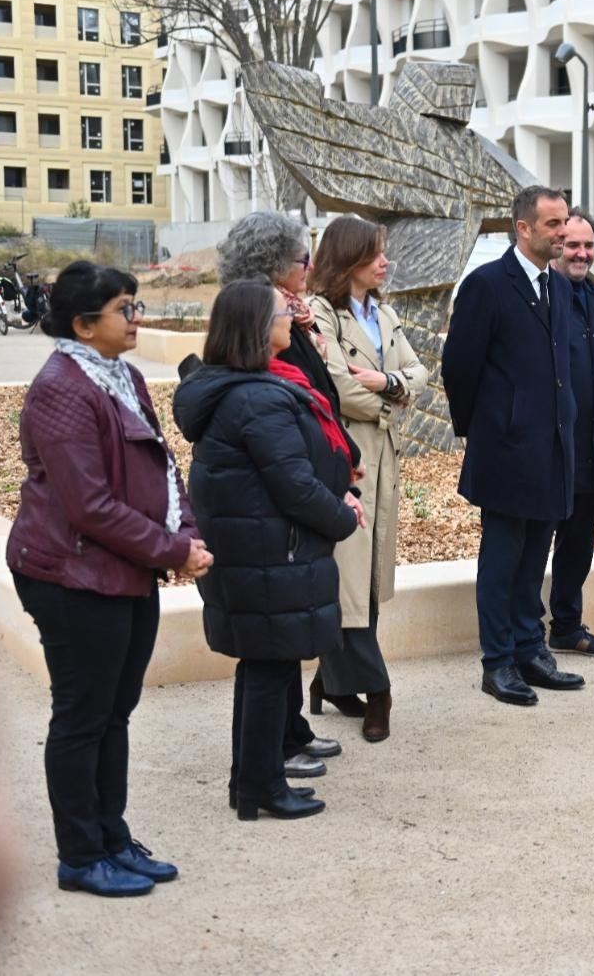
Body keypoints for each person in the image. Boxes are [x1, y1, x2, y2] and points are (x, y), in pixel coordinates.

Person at [7, 260, 212, 896]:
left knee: (115, 711)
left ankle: (112, 836)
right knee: (82, 715)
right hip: (71, 577)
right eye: (125, 309)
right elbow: (87, 504)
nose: (137, 318)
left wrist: (186, 532)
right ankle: (80, 855)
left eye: (136, 304)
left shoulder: (119, 373)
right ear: (82, 323)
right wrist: (172, 552)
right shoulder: (61, 388)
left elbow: (161, 463)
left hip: (123, 572)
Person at [173, 278, 362, 820]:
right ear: (258, 327)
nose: (292, 317)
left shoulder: (252, 386)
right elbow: (294, 485)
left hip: (263, 552)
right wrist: (343, 514)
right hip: (267, 555)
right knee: (266, 670)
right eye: (283, 312)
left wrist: (340, 484)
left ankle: (254, 783)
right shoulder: (256, 397)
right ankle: (258, 788)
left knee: (266, 668)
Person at [216, 210, 362, 778]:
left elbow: (320, 397)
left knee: (283, 642)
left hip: (291, 521)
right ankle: (264, 768)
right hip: (274, 530)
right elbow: (286, 448)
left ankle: (289, 733)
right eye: (302, 259)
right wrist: (334, 499)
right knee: (271, 649)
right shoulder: (259, 332)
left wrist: (340, 464)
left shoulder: (288, 317)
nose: (309, 269)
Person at [441, 185, 586, 706]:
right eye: (553, 224)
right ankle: (497, 662)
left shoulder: (562, 288)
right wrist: (486, 427)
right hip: (505, 450)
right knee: (502, 561)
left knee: (533, 561)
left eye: (564, 221)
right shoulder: (486, 286)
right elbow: (459, 368)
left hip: (553, 449)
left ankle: (531, 650)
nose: (564, 232)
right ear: (523, 228)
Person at [308, 216, 430, 741]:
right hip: (347, 450)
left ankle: (331, 683)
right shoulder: (319, 314)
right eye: (376, 253)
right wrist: (390, 401)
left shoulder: (383, 312)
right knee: (350, 574)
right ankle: (375, 688)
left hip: (384, 453)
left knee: (370, 578)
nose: (385, 262)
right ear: (349, 258)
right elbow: (336, 388)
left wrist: (387, 382)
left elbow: (420, 374)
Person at [545, 208, 594, 658]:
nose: (582, 253)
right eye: (573, 245)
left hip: (591, 441)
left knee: (579, 540)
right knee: (537, 541)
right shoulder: (544, 295)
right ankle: (523, 633)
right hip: (551, 440)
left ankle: (567, 626)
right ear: (557, 246)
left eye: (588, 246)